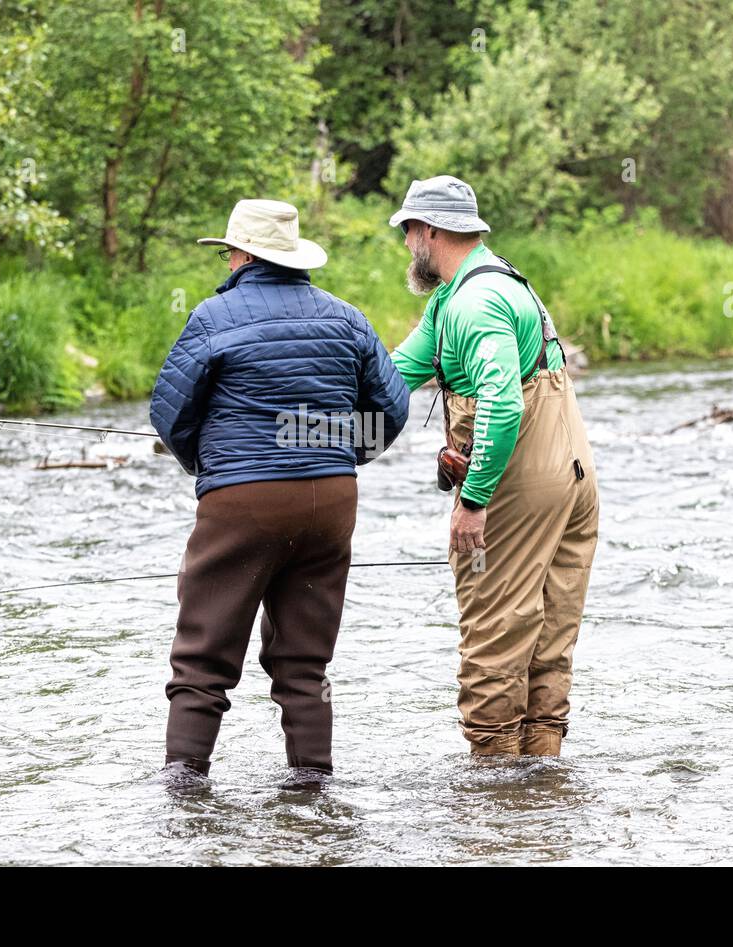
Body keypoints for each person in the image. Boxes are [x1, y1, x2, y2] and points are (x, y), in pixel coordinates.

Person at [150, 198, 410, 789]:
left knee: (203, 655)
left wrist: (211, 468)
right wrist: (340, 456)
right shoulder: (347, 317)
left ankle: (183, 794)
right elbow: (391, 409)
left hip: (242, 502)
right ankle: (312, 786)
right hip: (332, 503)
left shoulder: (213, 317)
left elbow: (169, 415)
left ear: (239, 254)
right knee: (305, 660)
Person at [388, 175, 600, 758]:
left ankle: (490, 810)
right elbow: (388, 379)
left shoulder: (474, 303)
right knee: (547, 638)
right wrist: (303, 418)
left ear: (429, 231)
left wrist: (474, 501)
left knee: (492, 636)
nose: (407, 245)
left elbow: (503, 404)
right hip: (573, 480)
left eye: (408, 232)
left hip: (521, 487)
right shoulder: (486, 282)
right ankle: (539, 797)